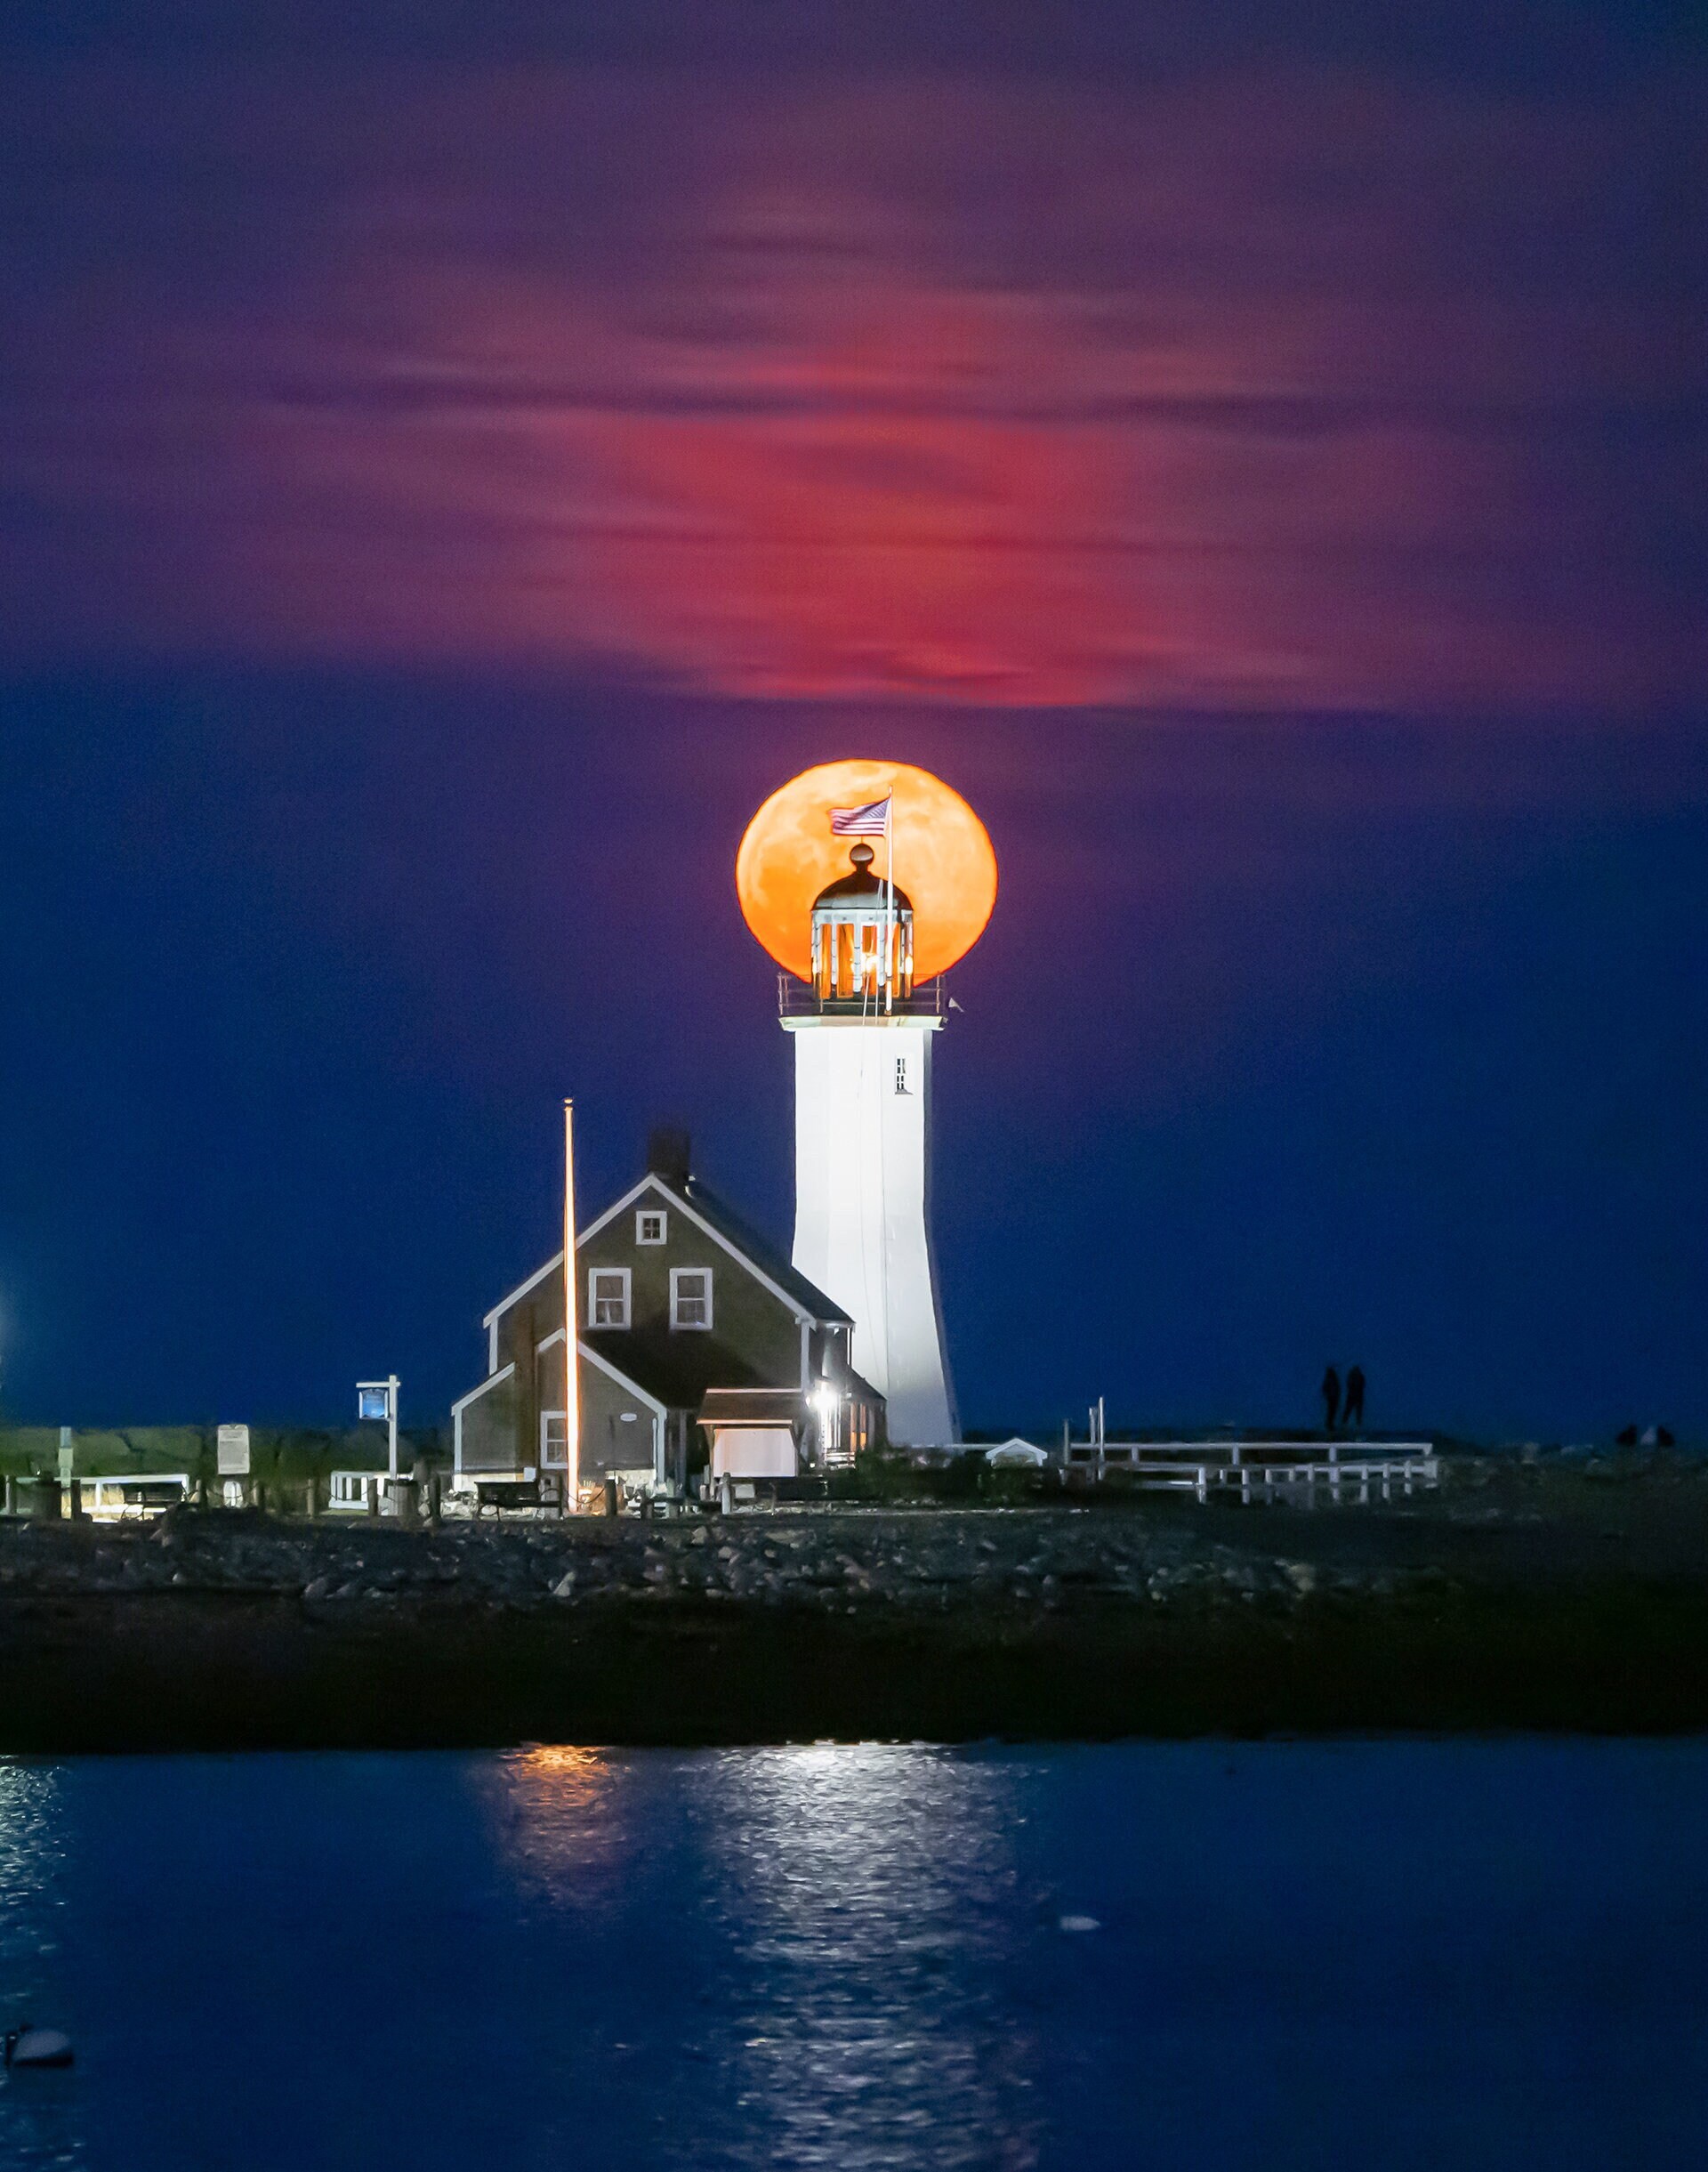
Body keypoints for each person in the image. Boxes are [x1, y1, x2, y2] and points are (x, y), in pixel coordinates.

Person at [1343, 1364, 1366, 1431]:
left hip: (1355, 1397)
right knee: (1350, 1411)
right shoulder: (1356, 1377)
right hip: (1354, 1397)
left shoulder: (1357, 1377)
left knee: (1355, 1412)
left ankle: (1357, 1425)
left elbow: (1361, 1386)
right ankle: (1346, 1424)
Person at [1320, 1364, 1341, 1432]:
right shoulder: (1332, 1379)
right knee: (1331, 1411)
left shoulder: (1330, 1379)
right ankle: (1329, 1424)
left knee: (1332, 1411)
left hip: (1332, 1398)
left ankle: (1330, 1424)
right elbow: (1336, 1388)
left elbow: (1325, 1388)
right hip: (1332, 1398)